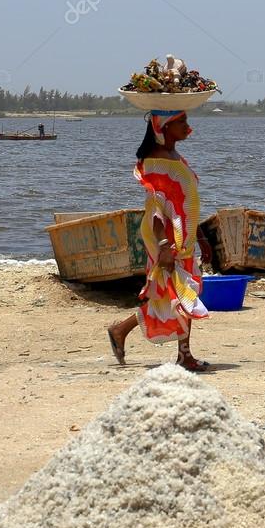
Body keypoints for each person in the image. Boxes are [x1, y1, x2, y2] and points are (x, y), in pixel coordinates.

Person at [107, 109, 213, 371]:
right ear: (164, 127)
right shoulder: (156, 161)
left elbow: (185, 202)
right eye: (182, 122)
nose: (188, 127)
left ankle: (121, 330)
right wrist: (164, 246)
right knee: (182, 292)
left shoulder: (176, 158)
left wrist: (201, 236)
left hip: (182, 238)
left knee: (174, 295)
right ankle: (184, 356)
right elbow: (157, 207)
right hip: (165, 238)